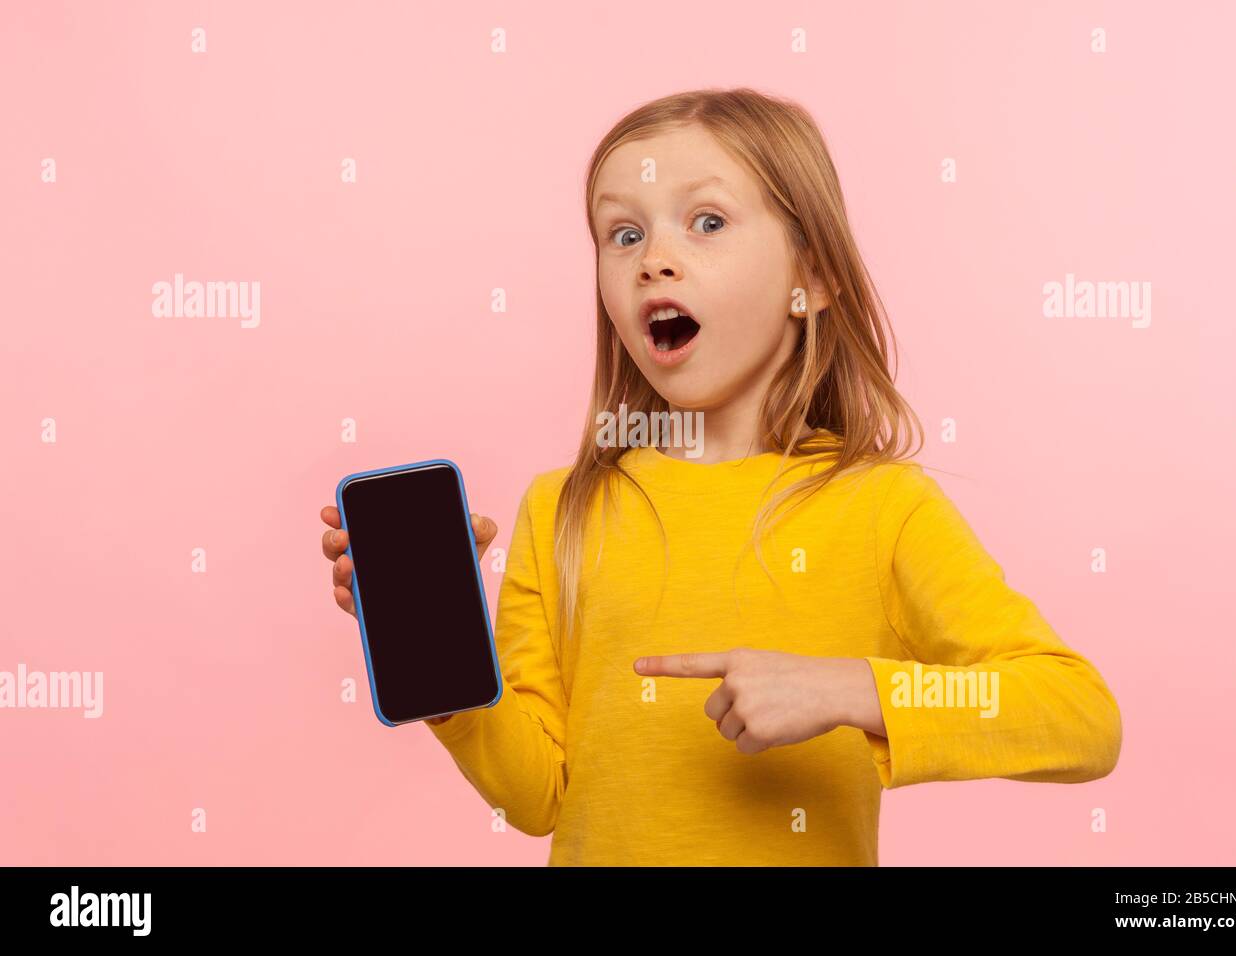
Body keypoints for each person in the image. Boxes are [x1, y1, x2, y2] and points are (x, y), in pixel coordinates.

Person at [319, 88, 1122, 866]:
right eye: (622, 235)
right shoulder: (561, 510)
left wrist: (852, 690)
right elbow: (537, 799)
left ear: (812, 277)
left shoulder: (881, 506)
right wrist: (443, 666)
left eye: (706, 222)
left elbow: (1078, 717)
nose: (653, 262)